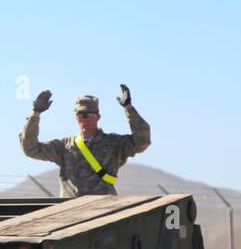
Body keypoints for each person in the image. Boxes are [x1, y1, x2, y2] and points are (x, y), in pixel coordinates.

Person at [20, 84, 151, 196]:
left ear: (98, 117)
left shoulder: (113, 144)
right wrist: (35, 113)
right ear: (76, 118)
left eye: (88, 115)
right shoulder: (64, 146)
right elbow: (30, 149)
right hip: (70, 212)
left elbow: (142, 141)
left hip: (105, 210)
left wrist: (129, 108)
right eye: (80, 115)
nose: (84, 119)